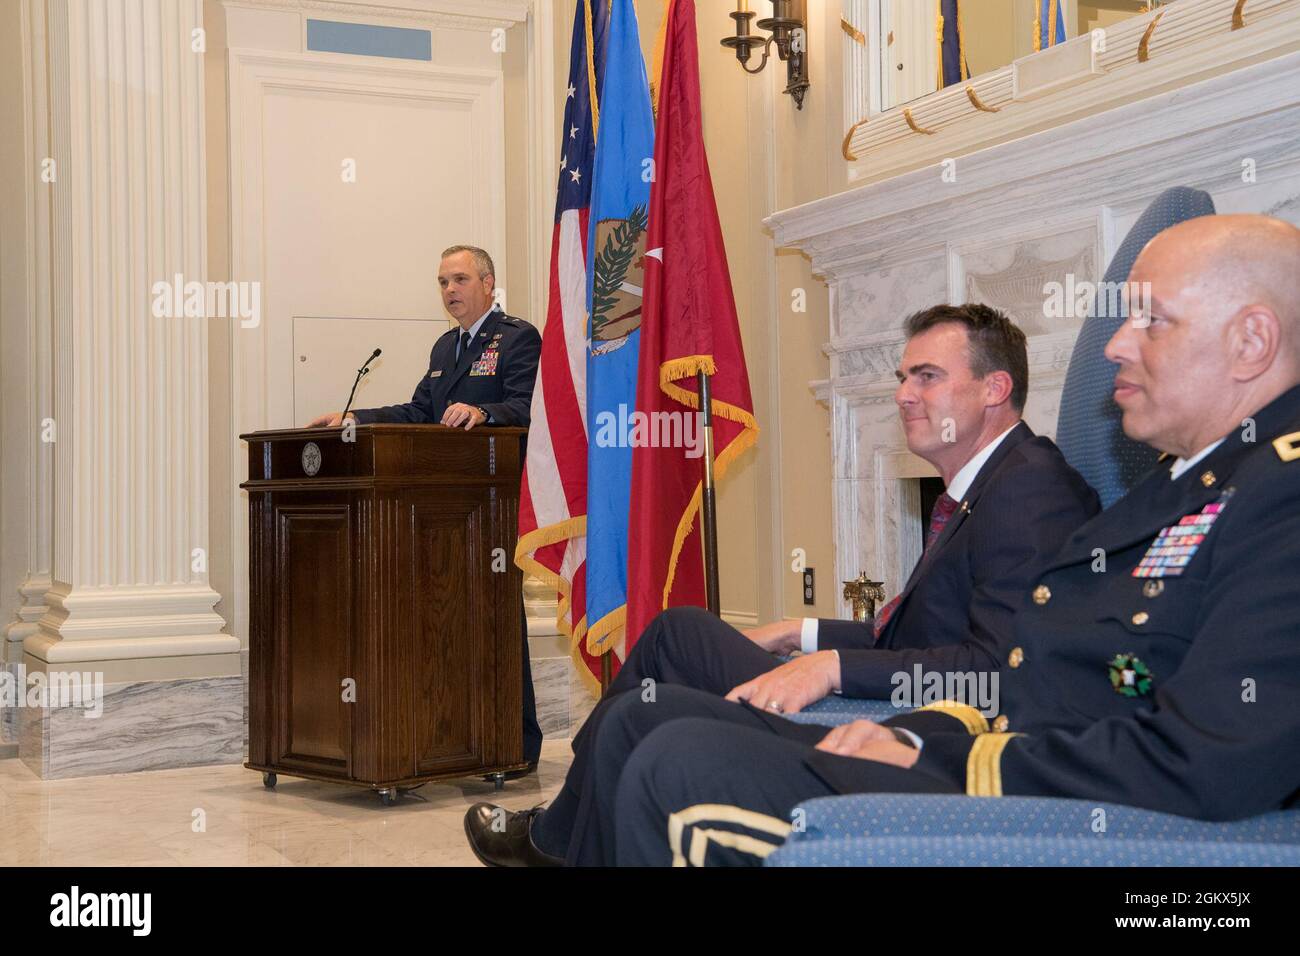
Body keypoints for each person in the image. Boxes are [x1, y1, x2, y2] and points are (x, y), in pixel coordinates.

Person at [572, 213, 1300, 866]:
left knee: (679, 760)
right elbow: (1052, 675)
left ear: (1251, 341)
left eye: (1151, 321)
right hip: (1005, 748)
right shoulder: (1192, 482)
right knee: (660, 723)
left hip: (1062, 811)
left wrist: (944, 753)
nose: (1114, 344)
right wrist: (930, 731)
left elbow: (1207, 756)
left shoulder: (1277, 495)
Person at [465, 304, 1099, 865]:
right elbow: (922, 633)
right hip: (894, 686)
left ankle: (558, 836)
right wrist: (804, 632)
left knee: (644, 708)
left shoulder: (1030, 491)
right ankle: (567, 823)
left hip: (915, 725)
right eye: (903, 377)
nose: (904, 394)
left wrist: (831, 668)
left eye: (927, 376)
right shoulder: (985, 485)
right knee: (678, 631)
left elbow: (993, 671)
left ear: (995, 388)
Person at [309, 244, 544, 771]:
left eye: (459, 279)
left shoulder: (516, 337)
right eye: (442, 282)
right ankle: (446, 741)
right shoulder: (444, 348)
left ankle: (515, 744)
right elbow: (419, 412)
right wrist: (354, 416)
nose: (449, 291)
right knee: (444, 625)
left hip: (489, 505)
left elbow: (530, 408)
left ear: (488, 283)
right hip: (439, 514)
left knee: (495, 622)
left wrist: (484, 411)